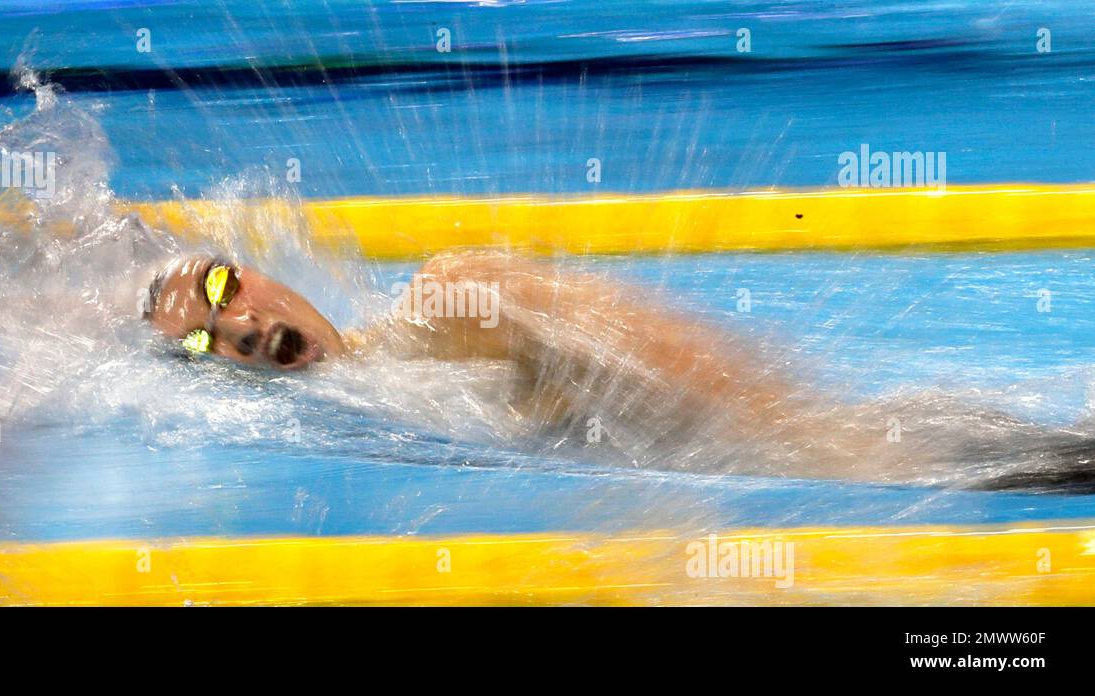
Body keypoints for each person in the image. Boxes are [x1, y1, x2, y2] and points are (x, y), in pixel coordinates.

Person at [142, 251, 1095, 492]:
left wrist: (833, 450)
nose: (241, 326)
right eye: (204, 341)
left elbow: (686, 355)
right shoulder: (362, 408)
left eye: (224, 287)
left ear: (261, 268)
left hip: (894, 452)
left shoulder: (446, 303)